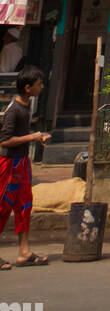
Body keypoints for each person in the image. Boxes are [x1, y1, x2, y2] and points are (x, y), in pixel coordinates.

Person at [0, 65, 51, 268]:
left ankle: (24, 251)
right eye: (39, 84)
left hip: (22, 163)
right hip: (9, 164)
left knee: (24, 205)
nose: (42, 87)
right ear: (28, 87)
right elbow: (4, 141)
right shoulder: (14, 110)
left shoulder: (28, 105)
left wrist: (37, 139)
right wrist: (32, 137)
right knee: (3, 206)